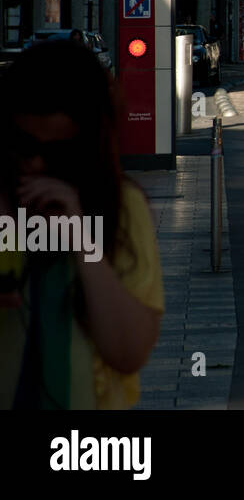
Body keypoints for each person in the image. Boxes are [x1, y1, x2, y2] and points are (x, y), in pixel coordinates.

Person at [0, 40, 164, 409]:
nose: (37, 165)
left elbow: (128, 352)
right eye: (23, 145)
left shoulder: (123, 209)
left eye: (58, 153)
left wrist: (82, 240)